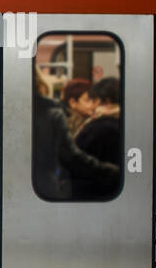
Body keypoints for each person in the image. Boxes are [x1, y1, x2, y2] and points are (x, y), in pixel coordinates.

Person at [32, 69, 118, 200]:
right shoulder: (51, 113)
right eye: (88, 99)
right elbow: (70, 157)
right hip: (45, 188)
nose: (93, 105)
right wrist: (113, 172)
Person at [73, 76, 122, 198]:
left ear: (107, 101)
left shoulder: (95, 128)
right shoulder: (127, 122)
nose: (92, 106)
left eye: (94, 101)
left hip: (92, 192)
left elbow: (76, 159)